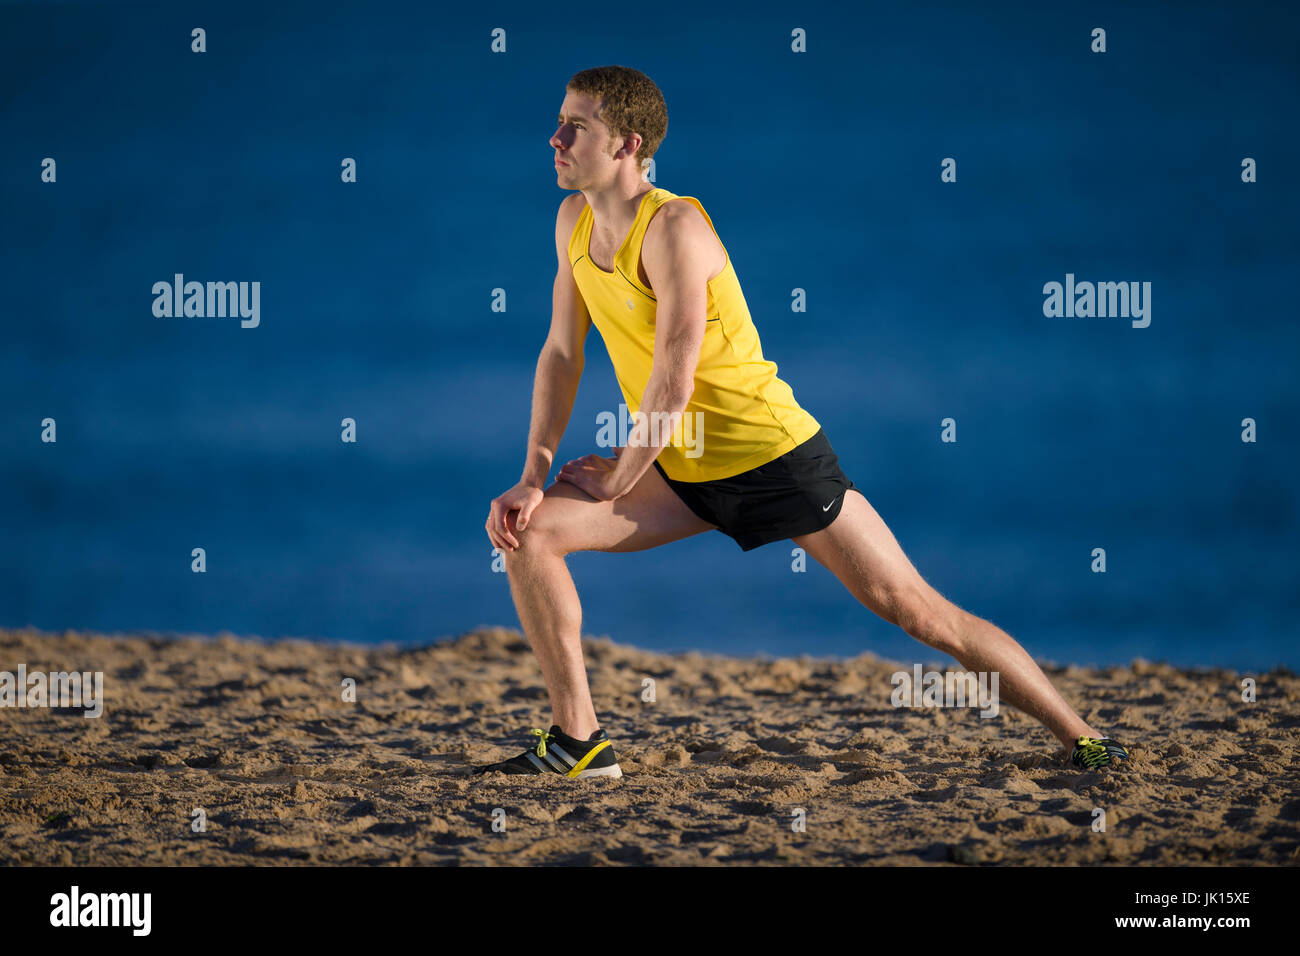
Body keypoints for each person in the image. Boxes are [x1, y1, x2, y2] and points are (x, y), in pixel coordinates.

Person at [479, 65, 1130, 780]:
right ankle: (579, 742)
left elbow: (674, 376)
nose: (556, 138)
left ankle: (1081, 737)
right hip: (681, 466)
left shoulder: (675, 228)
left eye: (576, 127)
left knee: (916, 611)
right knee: (528, 533)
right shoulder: (572, 224)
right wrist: (533, 475)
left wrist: (618, 477)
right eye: (560, 122)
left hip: (772, 457)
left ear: (627, 144)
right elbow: (562, 353)